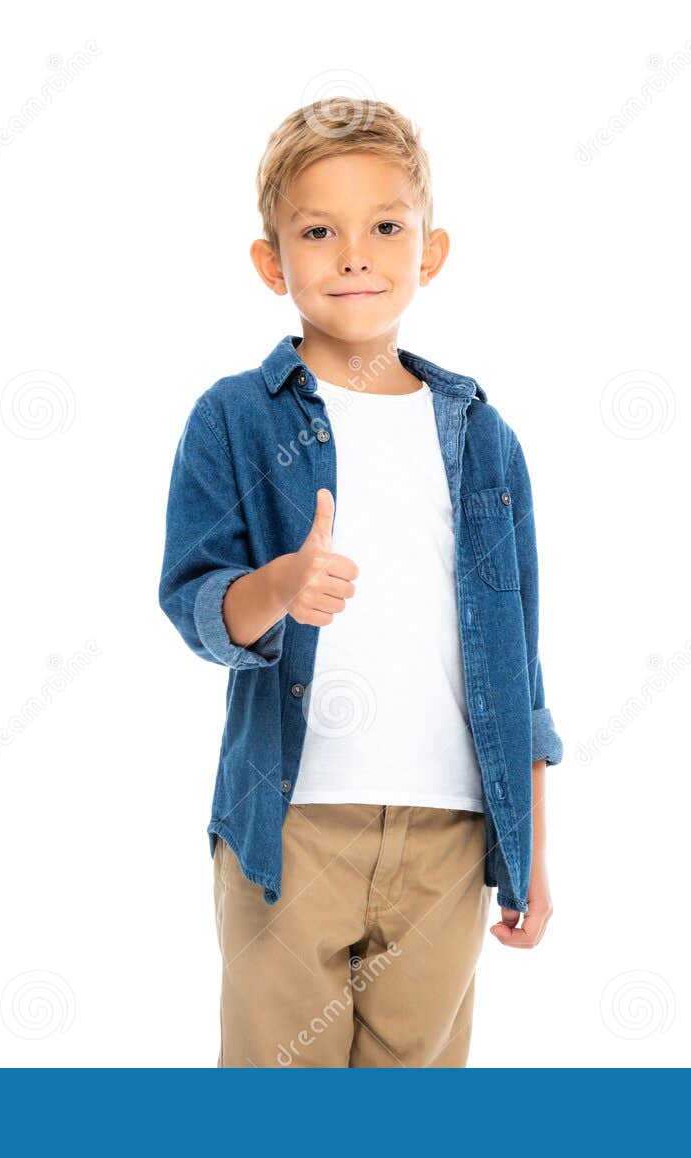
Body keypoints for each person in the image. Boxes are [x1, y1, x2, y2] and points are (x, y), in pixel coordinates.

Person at [157, 98, 563, 1067]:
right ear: (272, 263)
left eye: (385, 227)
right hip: (289, 827)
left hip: (450, 830)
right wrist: (280, 587)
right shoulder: (235, 417)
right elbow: (196, 600)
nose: (354, 255)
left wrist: (531, 849)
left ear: (430, 252)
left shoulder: (481, 436)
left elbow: (520, 659)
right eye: (317, 231)